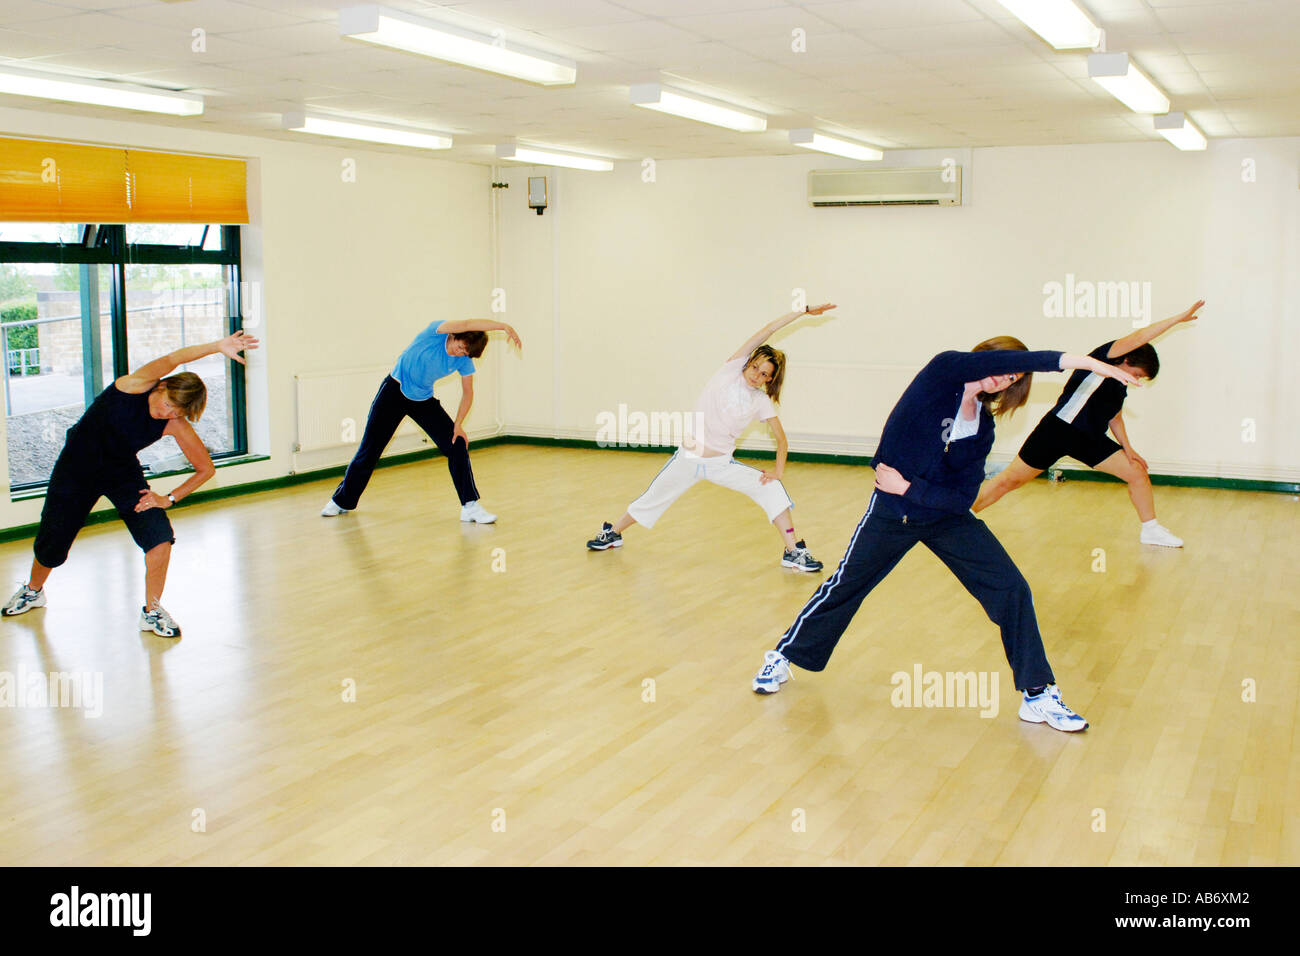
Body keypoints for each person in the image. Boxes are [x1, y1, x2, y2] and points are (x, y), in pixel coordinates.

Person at [752, 338, 1140, 732]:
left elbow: (962, 498)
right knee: (847, 584)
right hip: (894, 515)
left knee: (1012, 589)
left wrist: (910, 489)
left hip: (942, 516)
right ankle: (782, 656)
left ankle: (1038, 695)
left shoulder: (983, 426)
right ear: (982, 355)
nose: (1004, 377)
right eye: (1003, 366)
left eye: (1013, 377)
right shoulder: (943, 374)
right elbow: (1010, 360)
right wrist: (1087, 363)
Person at [3, 331, 259, 637]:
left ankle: (152, 611)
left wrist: (169, 498)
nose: (167, 413)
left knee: (160, 537)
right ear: (162, 386)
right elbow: (174, 358)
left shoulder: (173, 422)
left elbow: (205, 469)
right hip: (76, 468)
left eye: (176, 412)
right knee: (53, 542)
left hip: (122, 473)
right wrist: (217, 346)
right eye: (167, 404)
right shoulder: (134, 385)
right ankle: (33, 590)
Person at [586, 305, 836, 571]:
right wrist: (803, 311)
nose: (756, 375)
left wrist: (778, 471)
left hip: (720, 465)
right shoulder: (729, 370)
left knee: (772, 489)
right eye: (755, 367)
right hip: (688, 457)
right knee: (653, 498)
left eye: (764, 374)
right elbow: (768, 330)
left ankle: (793, 551)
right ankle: (613, 532)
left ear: (770, 379)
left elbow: (781, 440)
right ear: (748, 362)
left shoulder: (761, 401)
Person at [973, 300, 1203, 547]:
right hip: (1057, 430)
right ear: (1126, 359)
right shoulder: (1106, 356)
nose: (1135, 379)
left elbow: (1115, 415)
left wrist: (1128, 448)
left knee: (1137, 472)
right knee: (1010, 481)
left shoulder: (1119, 384)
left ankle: (1151, 529)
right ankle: (964, 515)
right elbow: (1139, 336)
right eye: (1137, 374)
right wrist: (1177, 319)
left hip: (1089, 439)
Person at [321, 319, 521, 523]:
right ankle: (341, 501)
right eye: (460, 347)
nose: (460, 354)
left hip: (423, 400)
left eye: (465, 353)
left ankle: (470, 506)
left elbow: (468, 393)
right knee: (370, 450)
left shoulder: (464, 359)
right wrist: (504, 326)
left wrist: (458, 424)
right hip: (393, 392)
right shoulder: (435, 332)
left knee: (456, 443)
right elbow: (468, 323)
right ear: (455, 335)